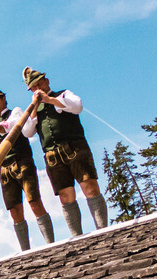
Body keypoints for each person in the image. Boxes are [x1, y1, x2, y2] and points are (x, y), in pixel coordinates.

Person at [22, 68, 108, 236]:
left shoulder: (63, 94)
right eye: (33, 87)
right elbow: (27, 132)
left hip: (75, 146)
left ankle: (103, 230)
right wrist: (35, 107)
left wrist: (50, 100)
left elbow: (77, 106)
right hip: (52, 155)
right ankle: (76, 237)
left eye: (39, 84)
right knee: (65, 196)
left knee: (89, 186)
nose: (37, 89)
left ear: (47, 81)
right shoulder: (33, 108)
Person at [0, 85, 55, 250]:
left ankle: (51, 243)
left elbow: (13, 126)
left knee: (34, 201)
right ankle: (25, 250)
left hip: (22, 160)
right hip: (4, 168)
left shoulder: (16, 111)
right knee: (14, 210)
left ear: (4, 99)